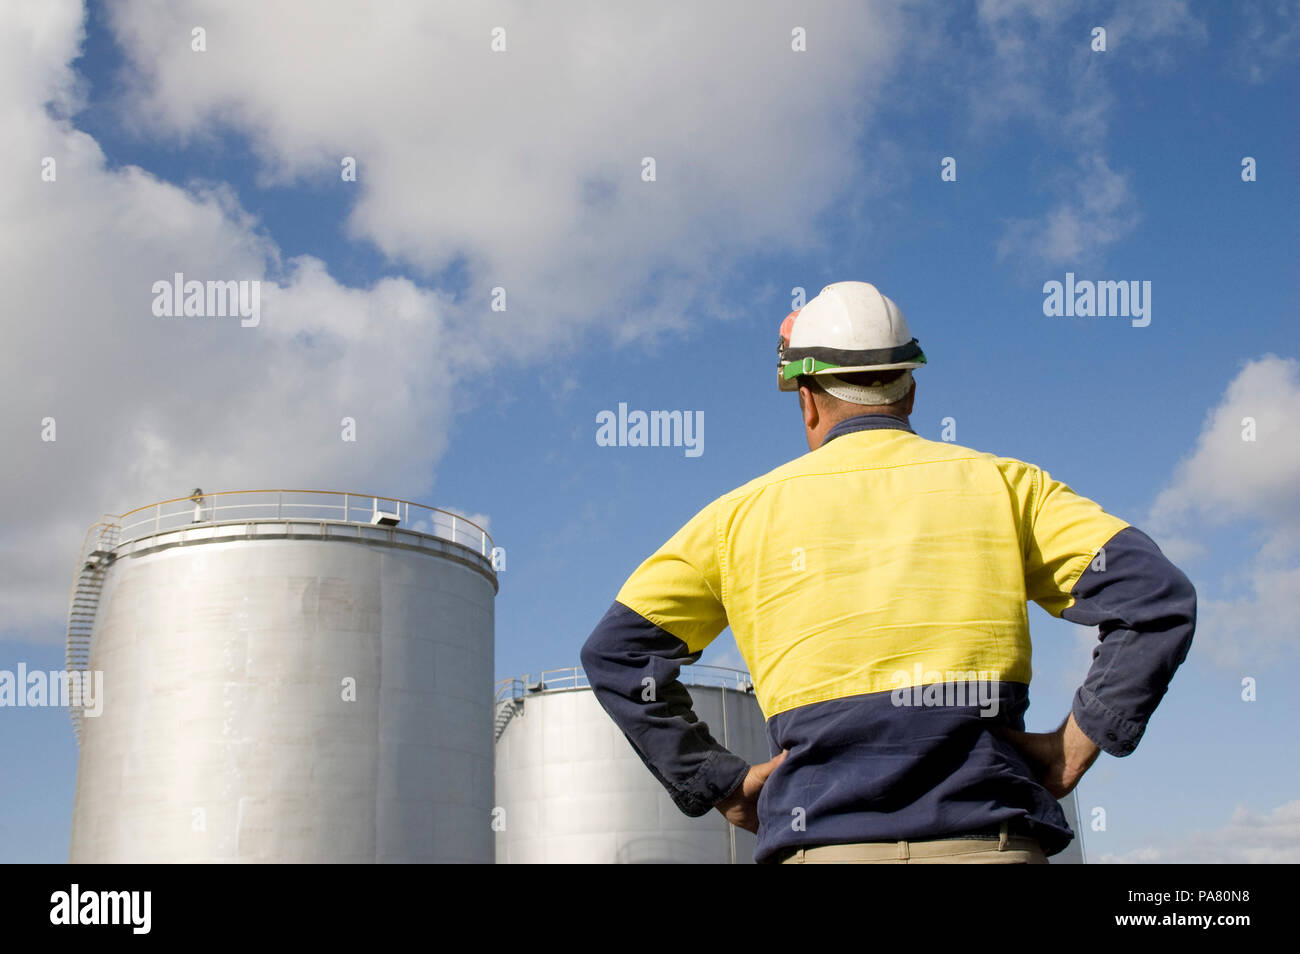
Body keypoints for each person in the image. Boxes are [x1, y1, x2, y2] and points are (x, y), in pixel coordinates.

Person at [580, 281, 1196, 864]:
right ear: (909, 390)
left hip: (823, 848)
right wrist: (1075, 745)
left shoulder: (735, 520)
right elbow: (1154, 597)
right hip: (989, 840)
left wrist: (720, 782)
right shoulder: (1008, 488)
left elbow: (618, 653)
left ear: (807, 399)